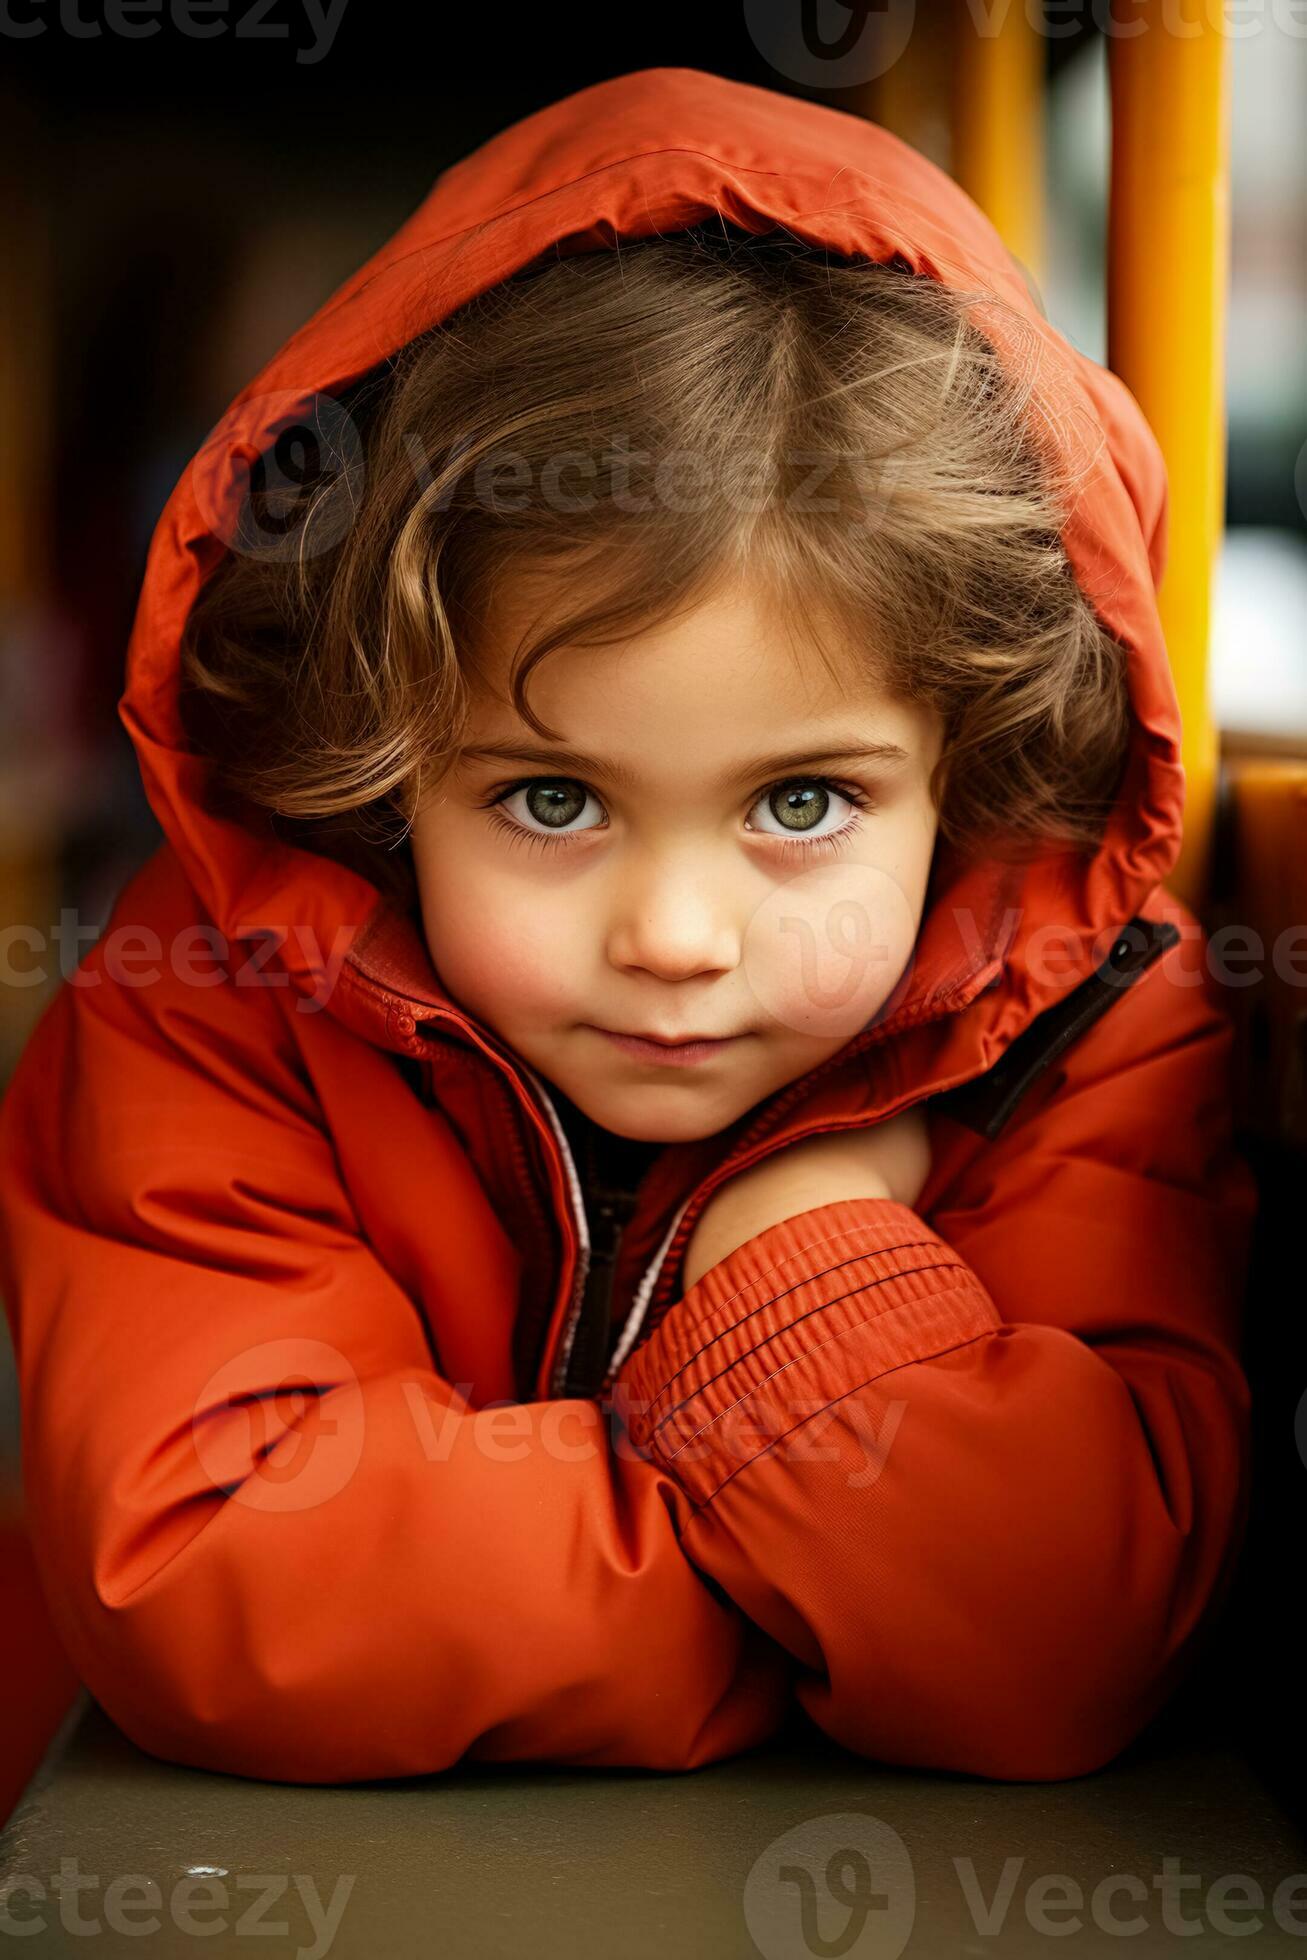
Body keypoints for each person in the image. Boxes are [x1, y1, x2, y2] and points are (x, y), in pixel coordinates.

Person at [0, 67, 1257, 1786]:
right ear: (384, 766)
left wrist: (793, 1250)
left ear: (963, 773)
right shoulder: (215, 997)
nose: (674, 935)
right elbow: (223, 1572)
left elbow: (1059, 1630)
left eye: (801, 804)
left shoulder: (1089, 1029)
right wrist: (825, 1604)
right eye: (552, 799)